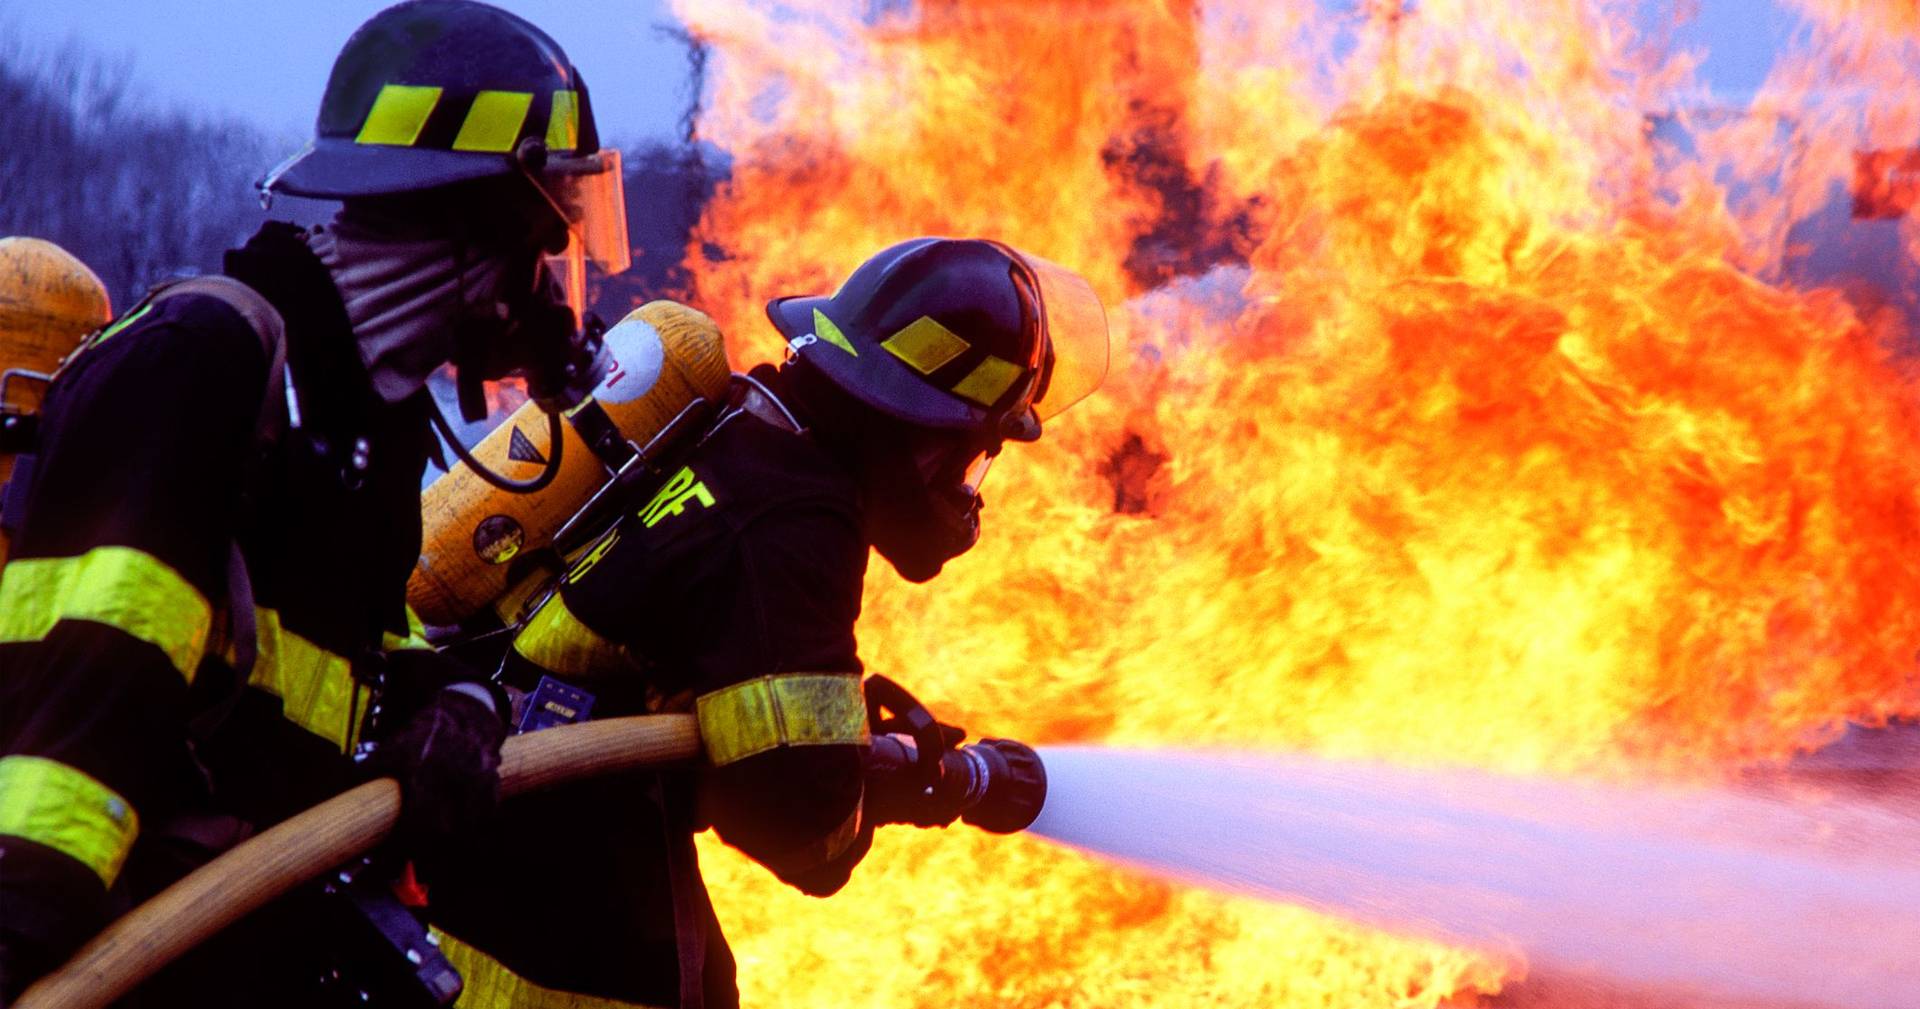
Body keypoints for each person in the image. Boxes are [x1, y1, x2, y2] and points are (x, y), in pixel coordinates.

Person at [0, 1, 632, 1003]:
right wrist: (28, 937)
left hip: (261, 938)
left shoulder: (354, 424)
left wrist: (460, 705)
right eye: (546, 234)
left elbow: (359, 663)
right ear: (476, 227)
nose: (552, 286)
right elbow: (91, 668)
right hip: (128, 948)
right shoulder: (205, 362)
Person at [421, 236, 1109, 1008]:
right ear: (924, 428)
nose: (967, 491)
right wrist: (892, 781)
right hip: (556, 882)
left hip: (489, 825)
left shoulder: (742, 440)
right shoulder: (793, 522)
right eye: (973, 458)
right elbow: (802, 824)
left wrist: (855, 754)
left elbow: (745, 727)